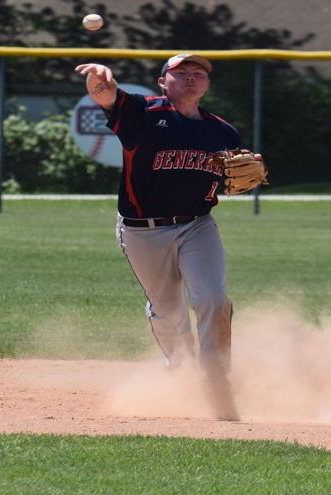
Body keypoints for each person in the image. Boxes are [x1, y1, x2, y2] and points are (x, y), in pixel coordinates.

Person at [75, 52, 255, 421]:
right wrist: (99, 80)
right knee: (169, 311)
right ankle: (182, 369)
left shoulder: (222, 131)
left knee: (213, 298)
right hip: (143, 230)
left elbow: (230, 177)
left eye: (198, 73)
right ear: (163, 82)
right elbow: (106, 96)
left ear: (207, 83)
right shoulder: (143, 114)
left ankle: (216, 377)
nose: (191, 77)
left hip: (197, 225)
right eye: (180, 72)